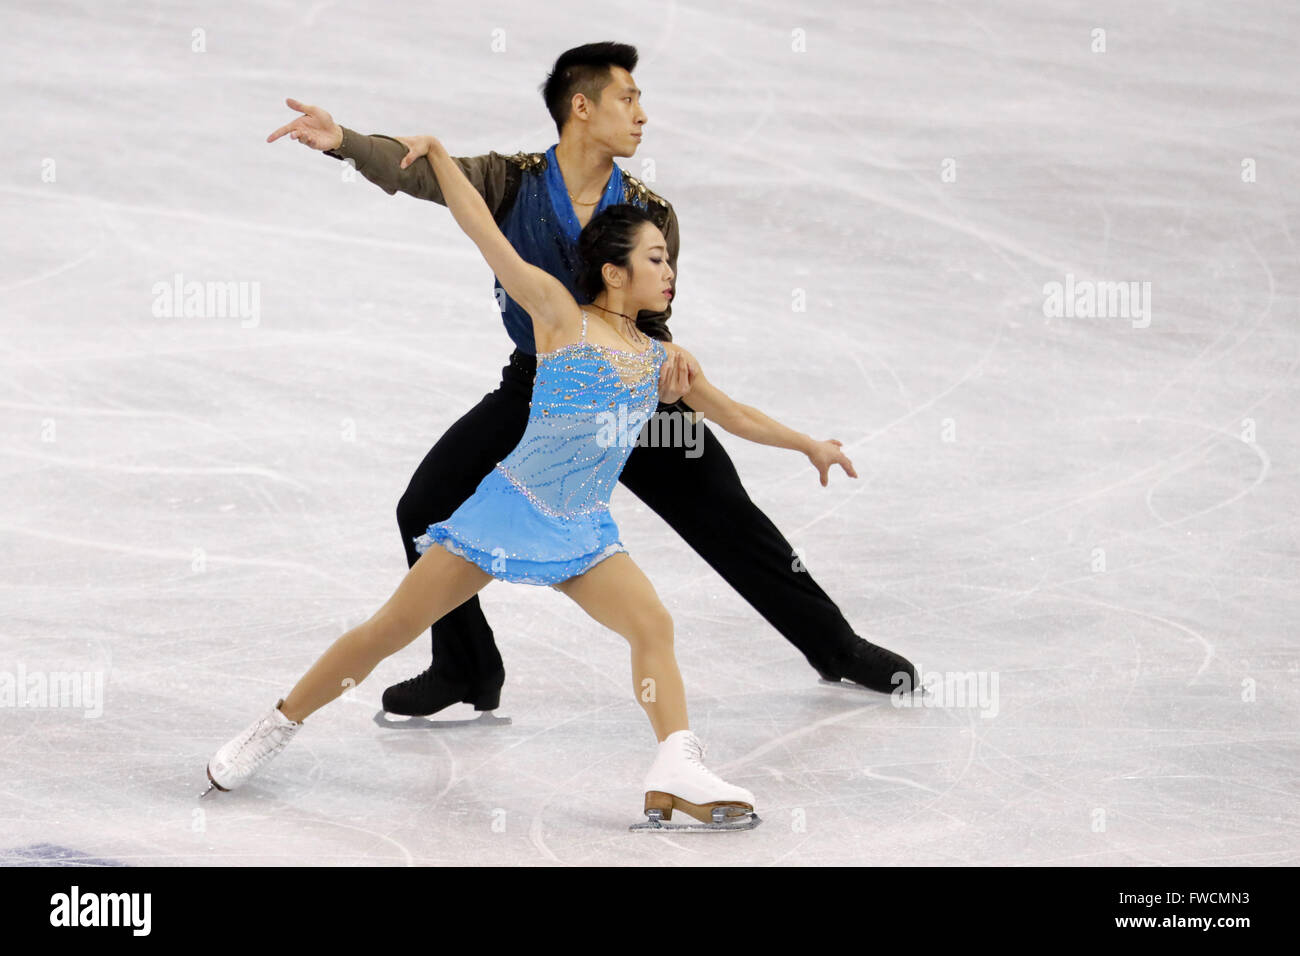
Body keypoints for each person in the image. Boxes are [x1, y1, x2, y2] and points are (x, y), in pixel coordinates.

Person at [207, 132, 862, 828]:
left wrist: (806, 444)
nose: (670, 271)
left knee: (653, 624)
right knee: (389, 629)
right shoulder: (559, 315)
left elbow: (735, 414)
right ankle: (275, 726)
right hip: (510, 510)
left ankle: (676, 760)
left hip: (583, 527)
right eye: (656, 258)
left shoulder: (665, 357)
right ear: (615, 271)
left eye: (668, 259)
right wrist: (437, 161)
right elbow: (484, 233)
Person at [265, 41, 914, 721]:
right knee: (424, 505)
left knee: (729, 514)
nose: (642, 116)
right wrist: (345, 141)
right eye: (627, 99)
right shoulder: (511, 179)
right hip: (540, 388)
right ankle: (466, 666)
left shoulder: (646, 211)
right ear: (582, 106)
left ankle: (834, 644)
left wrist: (672, 367)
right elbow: (432, 176)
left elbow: (655, 315)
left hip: (634, 392)